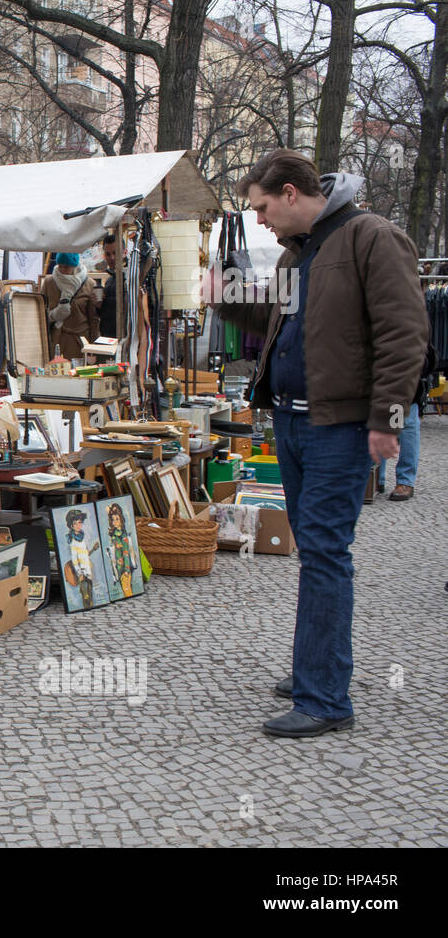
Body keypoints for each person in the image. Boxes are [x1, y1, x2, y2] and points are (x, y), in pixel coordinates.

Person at [215, 148, 428, 738]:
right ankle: (317, 665)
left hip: (338, 426)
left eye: (262, 207)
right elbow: (278, 321)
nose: (259, 220)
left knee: (327, 552)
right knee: (315, 550)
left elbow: (404, 333)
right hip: (292, 421)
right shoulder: (297, 251)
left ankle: (326, 698)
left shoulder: (371, 237)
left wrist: (387, 419)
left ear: (289, 193)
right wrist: (226, 293)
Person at [378, 343, 435, 500]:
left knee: (406, 428)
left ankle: (405, 481)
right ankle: (376, 479)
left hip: (406, 380)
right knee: (379, 426)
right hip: (380, 381)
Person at [40, 252, 97, 360]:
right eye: (60, 266)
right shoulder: (49, 282)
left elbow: (93, 320)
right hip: (55, 341)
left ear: (74, 266)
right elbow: (40, 313)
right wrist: (53, 315)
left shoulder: (89, 284)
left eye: (66, 267)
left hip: (79, 343)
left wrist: (93, 349)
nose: (62, 270)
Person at [98, 233, 123, 340]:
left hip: (122, 339)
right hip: (108, 338)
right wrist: (99, 305)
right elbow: (106, 313)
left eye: (115, 253)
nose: (112, 258)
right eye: (108, 254)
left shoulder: (130, 279)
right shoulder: (109, 280)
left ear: (124, 253)